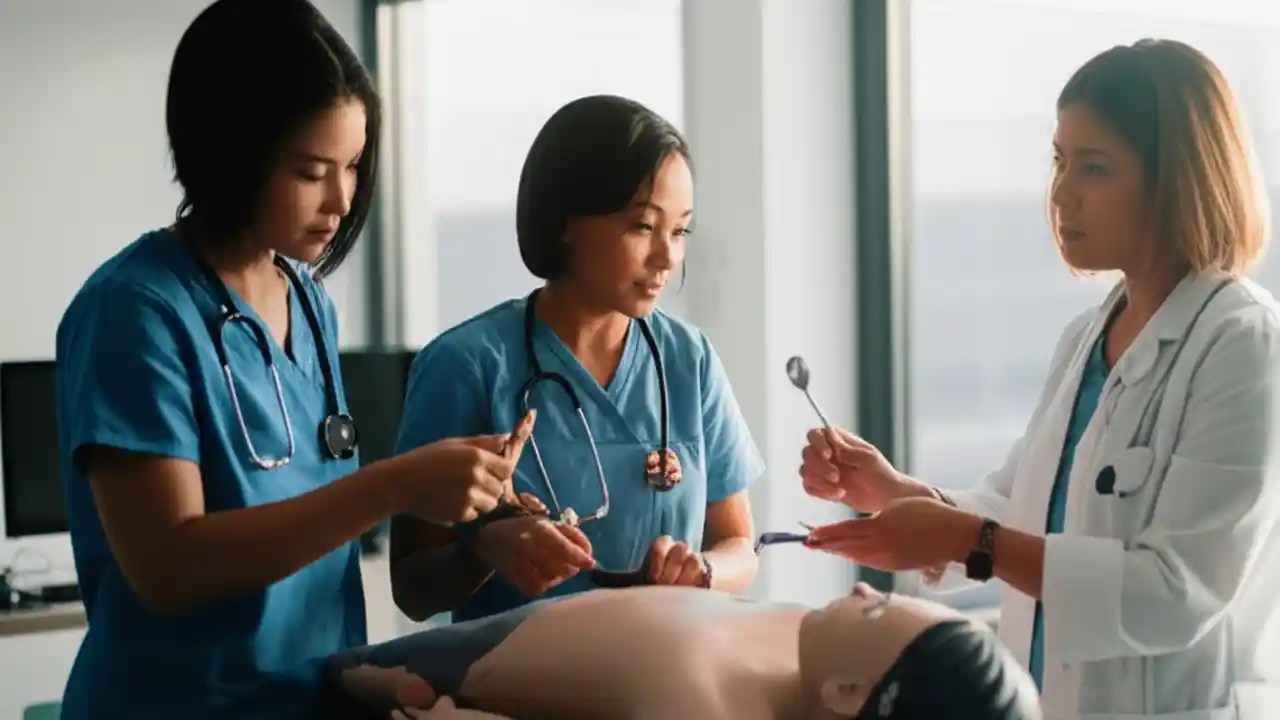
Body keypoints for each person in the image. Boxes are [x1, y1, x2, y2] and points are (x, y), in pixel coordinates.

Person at [53, 1, 514, 716]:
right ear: (231, 150)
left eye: (353, 166)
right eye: (310, 170)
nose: (340, 200)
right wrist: (392, 488)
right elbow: (169, 567)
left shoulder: (308, 300)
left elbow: (314, 565)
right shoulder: (135, 311)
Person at [799, 39, 1280, 719]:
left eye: (1094, 167)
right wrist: (898, 493)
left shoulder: (1244, 343)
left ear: (1175, 180)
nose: (1061, 193)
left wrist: (960, 539)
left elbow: (1175, 594)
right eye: (1059, 161)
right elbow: (1021, 514)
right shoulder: (1086, 337)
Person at [390, 95, 764, 623]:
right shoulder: (466, 365)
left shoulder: (689, 361)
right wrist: (486, 550)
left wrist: (701, 570)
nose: (668, 257)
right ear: (566, 220)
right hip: (515, 687)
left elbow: (738, 546)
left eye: (679, 230)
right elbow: (412, 587)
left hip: (663, 676)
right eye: (642, 226)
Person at [328, 583, 1042, 720]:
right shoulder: (809, 649)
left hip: (425, 677)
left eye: (878, 607)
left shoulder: (705, 708)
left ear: (851, 694)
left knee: (325, 684)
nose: (860, 589)